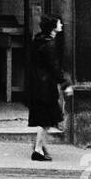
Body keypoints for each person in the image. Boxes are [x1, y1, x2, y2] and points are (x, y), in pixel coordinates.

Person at [27, 13, 71, 161]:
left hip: (37, 84)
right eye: (59, 23)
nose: (62, 25)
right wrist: (65, 84)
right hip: (46, 86)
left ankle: (39, 145)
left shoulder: (38, 40)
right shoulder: (50, 44)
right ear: (53, 27)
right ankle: (38, 150)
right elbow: (54, 67)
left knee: (45, 119)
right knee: (46, 120)